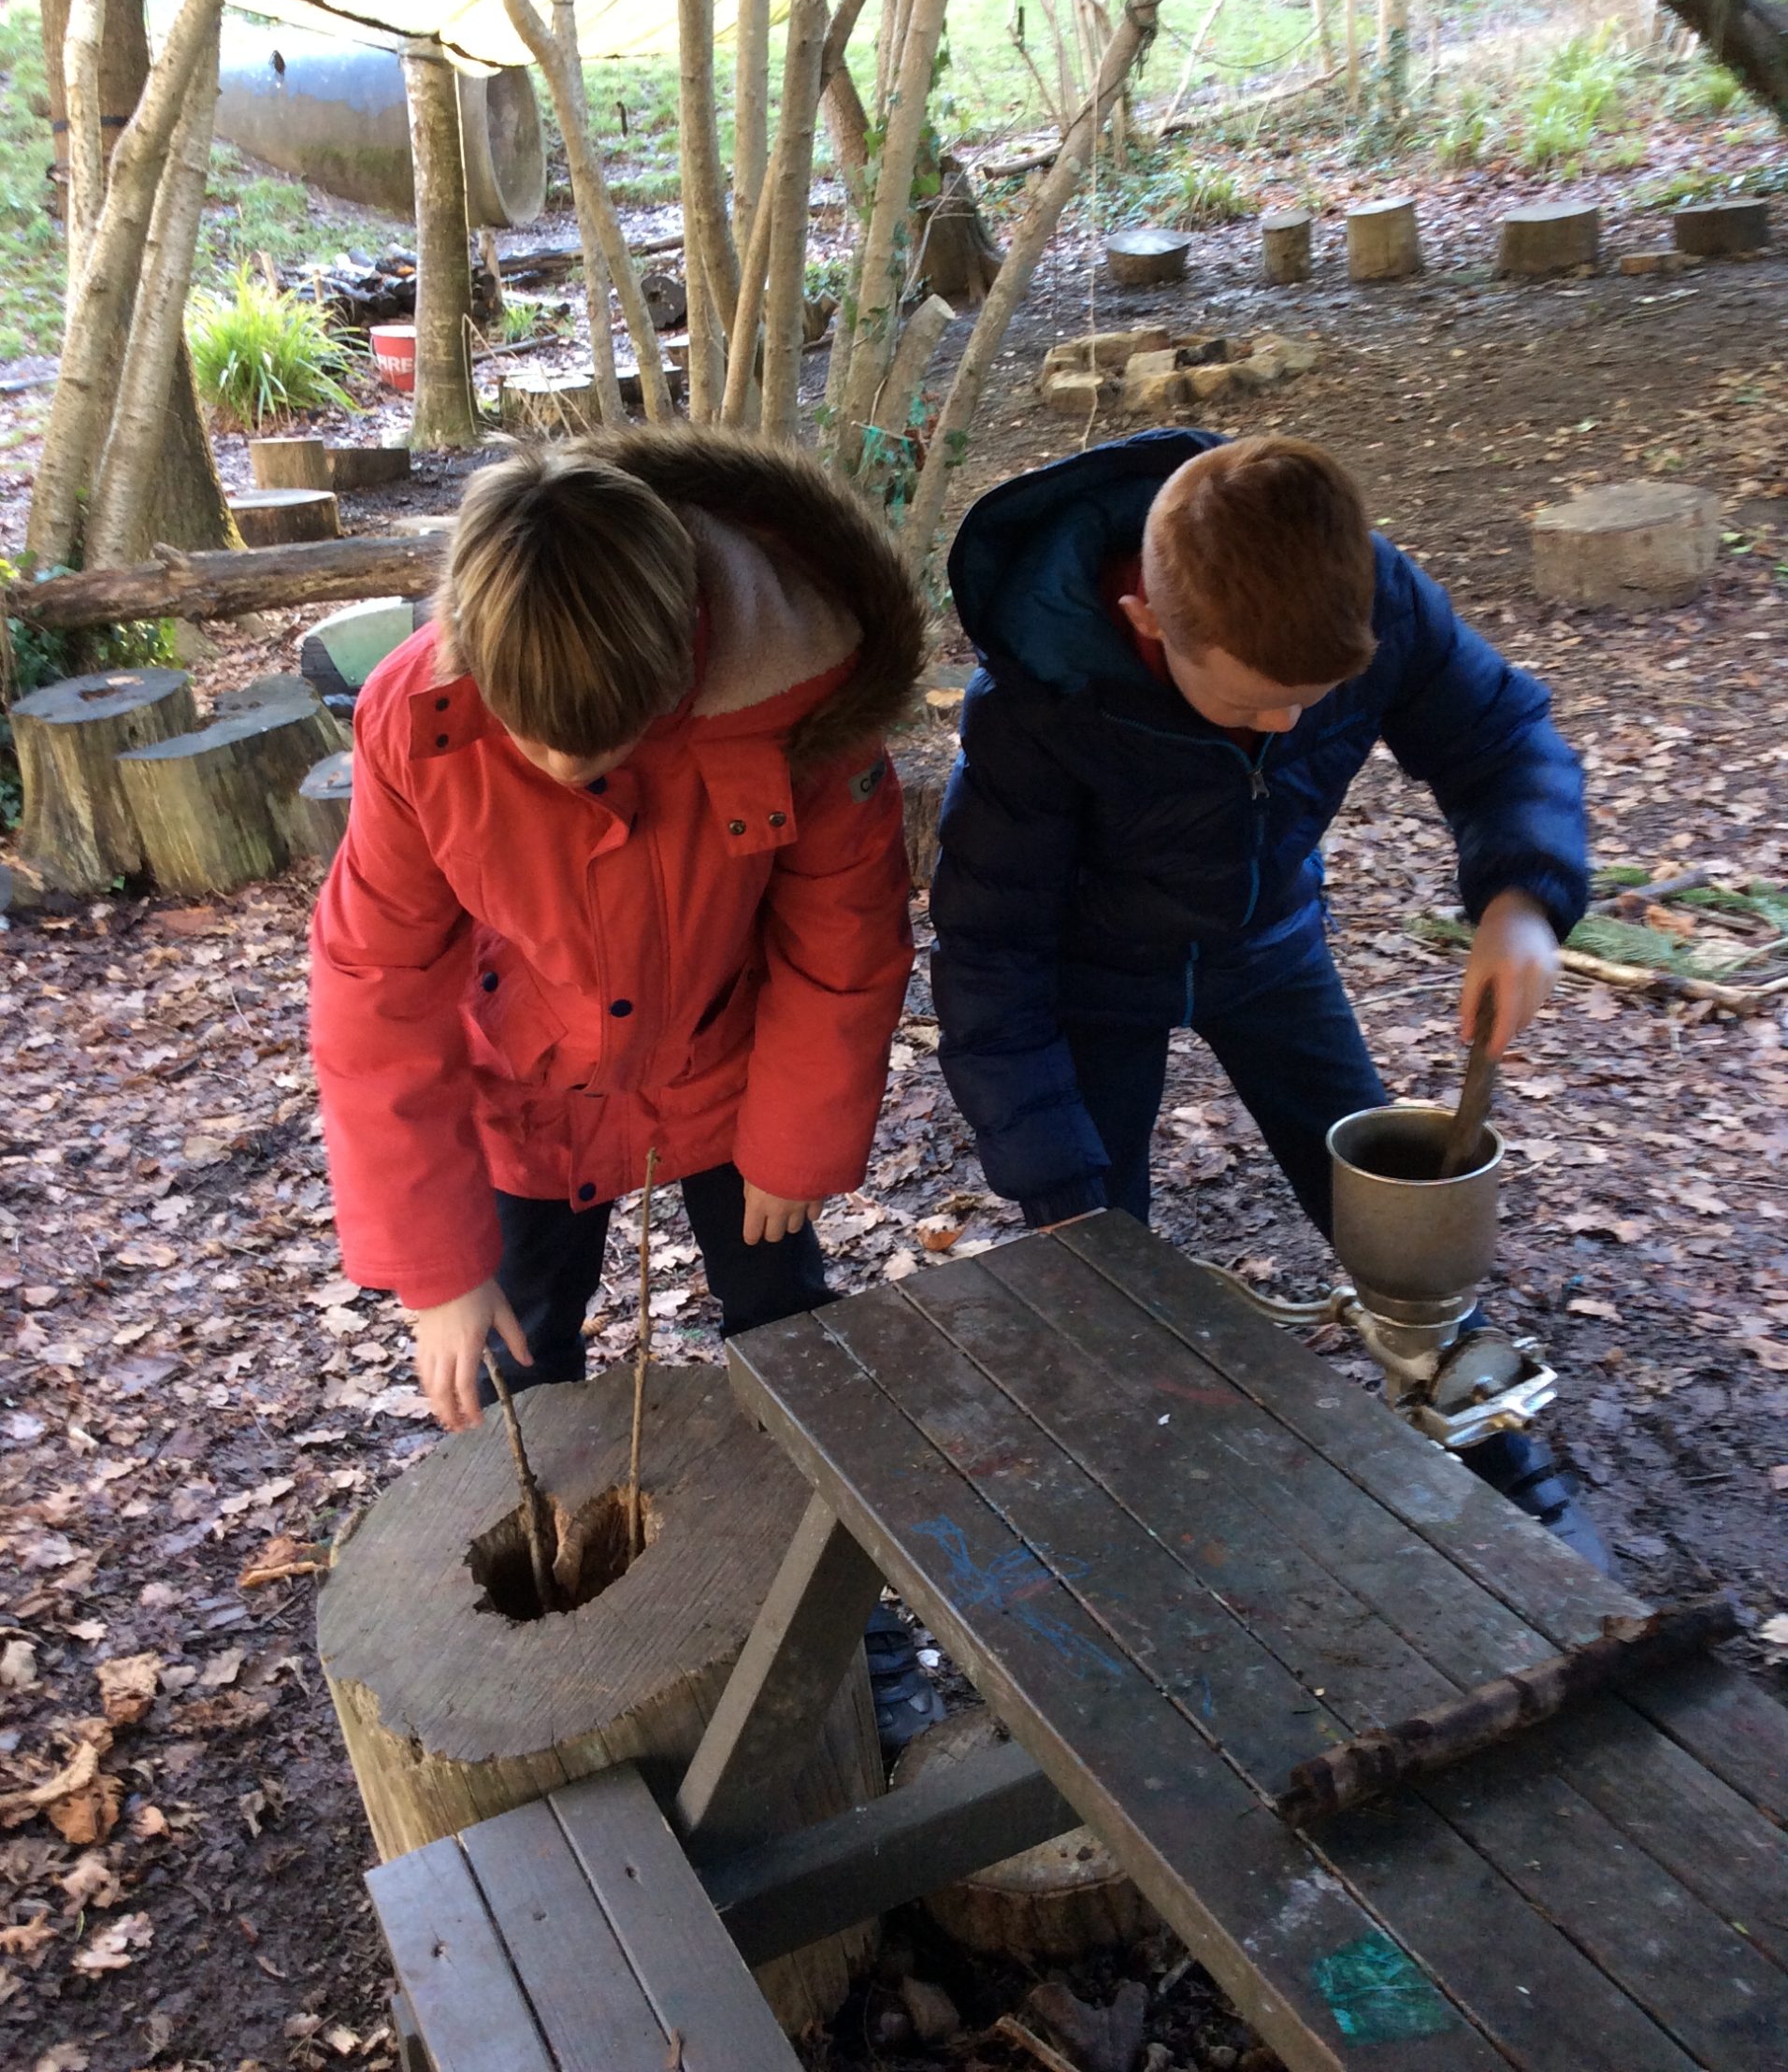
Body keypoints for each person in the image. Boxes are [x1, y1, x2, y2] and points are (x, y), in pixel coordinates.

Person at [310, 428, 944, 1739]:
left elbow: (847, 933)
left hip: (731, 1074)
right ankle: (554, 1673)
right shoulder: (419, 725)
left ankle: (846, 1632)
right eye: (534, 741)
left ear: (678, 666)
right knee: (520, 1359)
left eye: (602, 745)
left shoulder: (801, 698)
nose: (564, 774)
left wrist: (795, 1139)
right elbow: (377, 984)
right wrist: (431, 1264)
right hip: (527, 1094)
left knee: (787, 1332)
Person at [930, 428, 1608, 1567]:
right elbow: (990, 959)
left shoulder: (1369, 595)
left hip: (1268, 942)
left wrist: (1524, 898)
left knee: (1390, 1187)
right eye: (1255, 705)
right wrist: (1053, 1184)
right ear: (1148, 621)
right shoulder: (1041, 701)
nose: (1289, 726)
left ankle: (1478, 1412)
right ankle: (1131, 1478)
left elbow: (1498, 735)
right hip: (1090, 980)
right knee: (1095, 1241)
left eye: (1315, 700)